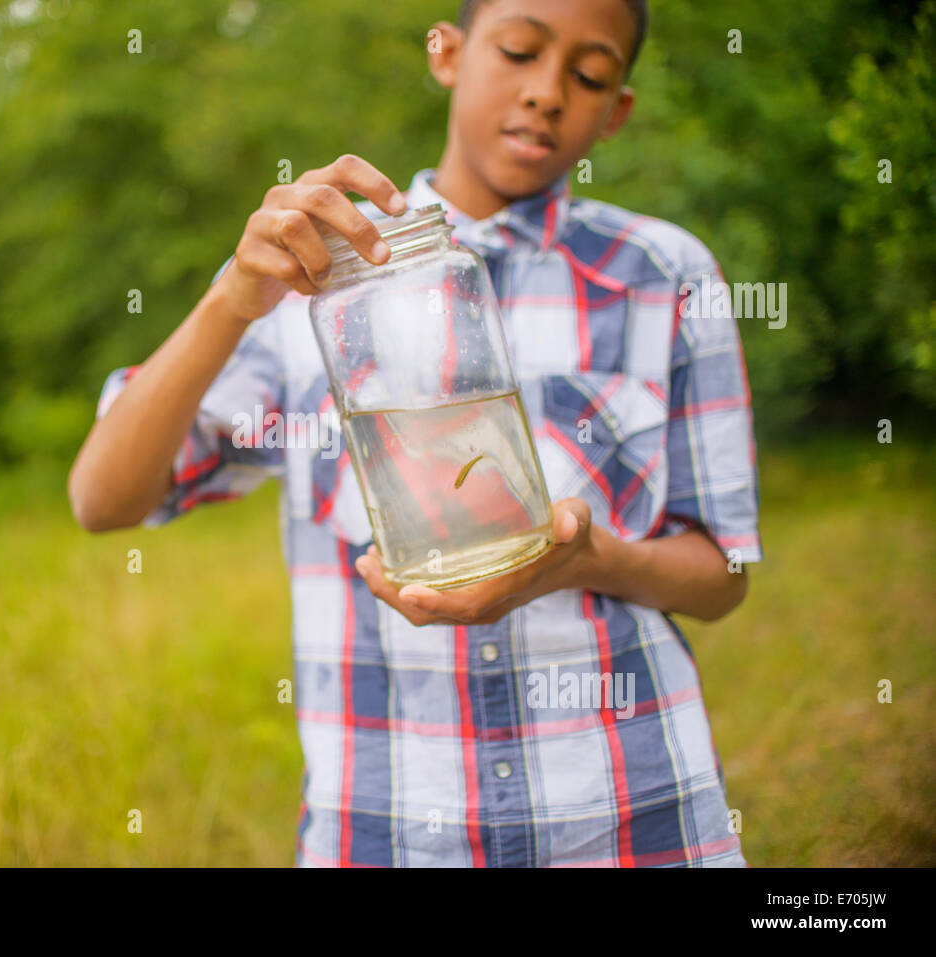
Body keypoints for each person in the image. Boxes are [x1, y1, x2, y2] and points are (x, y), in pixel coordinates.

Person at [69, 0, 763, 866]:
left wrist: (592, 560)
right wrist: (229, 301)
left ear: (617, 109)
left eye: (589, 75)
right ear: (446, 52)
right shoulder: (311, 281)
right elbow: (103, 498)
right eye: (519, 50)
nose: (547, 93)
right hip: (390, 829)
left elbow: (723, 573)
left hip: (630, 819)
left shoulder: (665, 275)